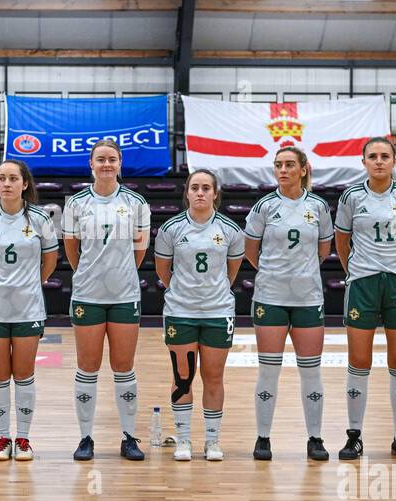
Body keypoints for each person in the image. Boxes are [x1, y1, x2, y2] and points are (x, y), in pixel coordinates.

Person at [334, 137, 396, 460]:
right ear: (363, 162)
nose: (379, 161)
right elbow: (342, 241)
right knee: (359, 361)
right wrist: (357, 270)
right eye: (372, 156)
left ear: (394, 160)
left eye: (385, 156)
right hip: (362, 283)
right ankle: (354, 435)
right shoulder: (351, 197)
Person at [243, 147, 335, 460]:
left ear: (304, 169)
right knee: (268, 371)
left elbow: (323, 250)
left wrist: (301, 273)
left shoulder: (319, 206)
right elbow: (251, 252)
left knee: (311, 371)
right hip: (270, 297)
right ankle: (263, 437)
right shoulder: (264, 206)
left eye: (289, 165)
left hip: (308, 298)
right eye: (278, 165)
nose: (283, 170)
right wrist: (277, 273)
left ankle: (315, 438)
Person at [63, 139, 152, 462]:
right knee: (87, 367)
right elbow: (72, 249)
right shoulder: (75, 203)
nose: (106, 165)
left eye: (112, 159)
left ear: (120, 163)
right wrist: (90, 272)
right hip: (87, 293)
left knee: (123, 367)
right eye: (100, 159)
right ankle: (86, 437)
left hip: (124, 294)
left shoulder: (136, 202)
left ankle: (128, 437)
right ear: (91, 164)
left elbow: (139, 251)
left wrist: (119, 272)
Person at [0, 159, 58, 461]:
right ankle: (2, 437)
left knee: (24, 374)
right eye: (1, 178)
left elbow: (50, 261)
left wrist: (28, 284)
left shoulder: (41, 220)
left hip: (28, 308)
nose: (6, 184)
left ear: (25, 184)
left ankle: (24, 439)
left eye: (12, 179)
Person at [155, 169, 245, 462]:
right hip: (181, 311)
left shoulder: (230, 229)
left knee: (214, 377)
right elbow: (162, 271)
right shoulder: (171, 229)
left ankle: (212, 441)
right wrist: (185, 292)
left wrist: (211, 293)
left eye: (206, 188)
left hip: (218, 312)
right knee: (183, 377)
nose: (200, 193)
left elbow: (231, 272)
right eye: (195, 187)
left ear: (215, 193)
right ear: (187, 192)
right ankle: (183, 440)